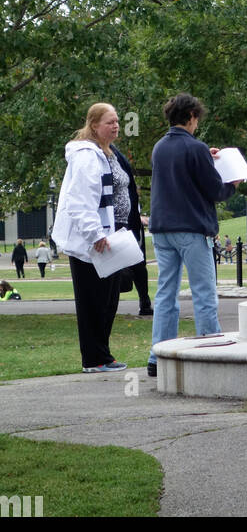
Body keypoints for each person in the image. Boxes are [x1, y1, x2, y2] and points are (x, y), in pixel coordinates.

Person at [147, 94, 242, 377]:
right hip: (191, 228)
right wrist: (232, 184)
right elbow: (214, 190)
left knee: (166, 292)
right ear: (190, 116)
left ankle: (158, 354)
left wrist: (205, 157)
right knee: (203, 292)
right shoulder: (196, 147)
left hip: (162, 229)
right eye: (197, 117)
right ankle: (211, 351)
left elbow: (181, 174)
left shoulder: (160, 147)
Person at [51, 102, 128, 373]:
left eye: (117, 121)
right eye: (110, 122)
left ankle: (103, 354)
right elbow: (81, 199)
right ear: (94, 125)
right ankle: (93, 359)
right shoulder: (86, 155)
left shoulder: (108, 152)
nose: (116, 125)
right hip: (93, 240)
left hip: (112, 235)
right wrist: (94, 233)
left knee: (109, 299)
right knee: (93, 299)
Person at [110, 143, 153, 317]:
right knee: (135, 265)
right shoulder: (109, 154)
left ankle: (144, 301)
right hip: (126, 222)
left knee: (135, 264)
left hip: (129, 221)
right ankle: (144, 301)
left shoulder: (114, 155)